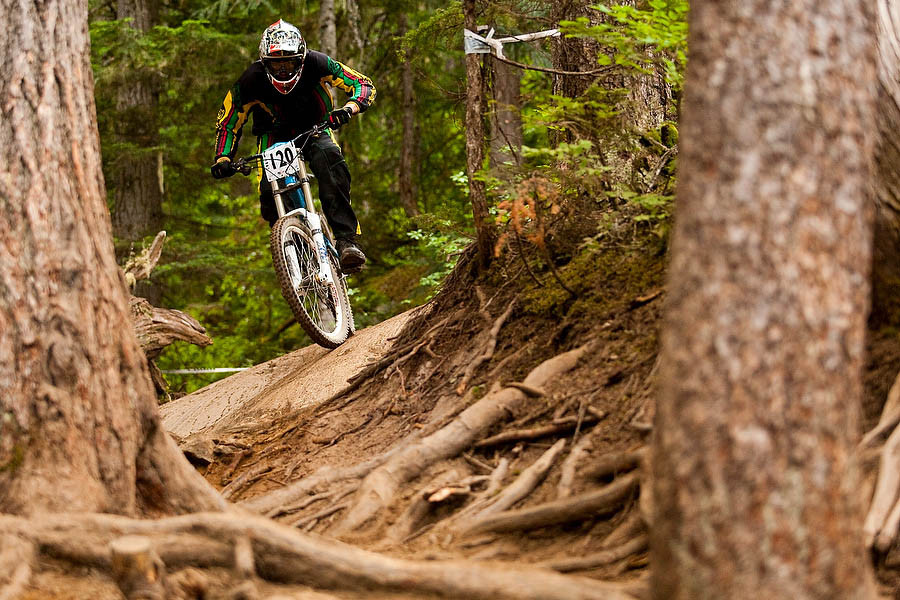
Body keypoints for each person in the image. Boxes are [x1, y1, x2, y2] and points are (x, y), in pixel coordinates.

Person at [210, 19, 375, 272]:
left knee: (330, 160)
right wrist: (223, 158)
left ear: (302, 58)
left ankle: (346, 241)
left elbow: (362, 84)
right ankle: (293, 252)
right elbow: (228, 123)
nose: (284, 69)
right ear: (265, 63)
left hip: (315, 128)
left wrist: (349, 108)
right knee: (268, 192)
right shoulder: (250, 80)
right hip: (273, 137)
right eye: (277, 63)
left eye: (289, 61)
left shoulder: (317, 63)